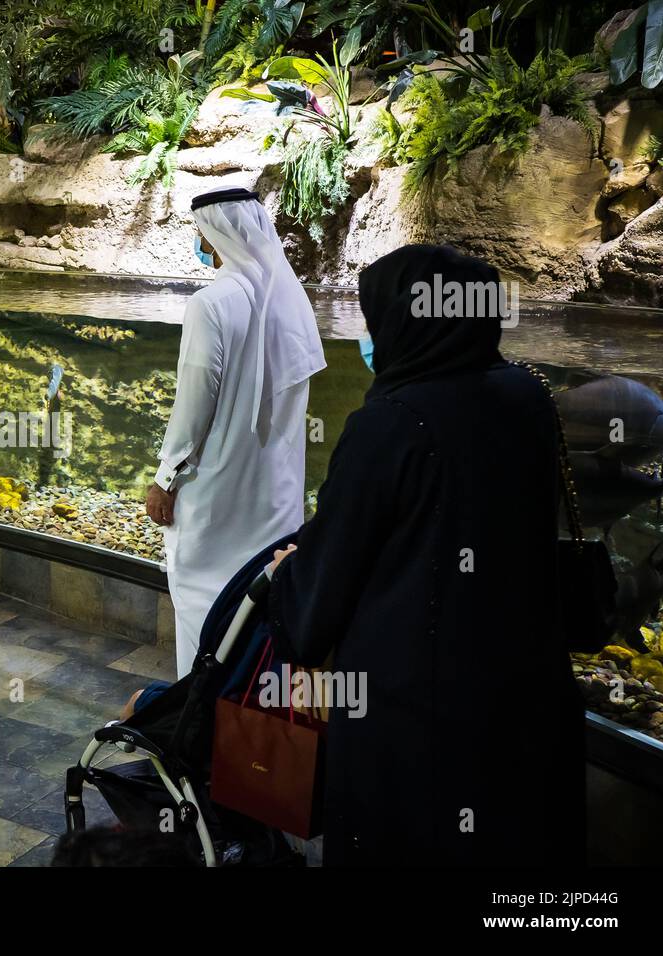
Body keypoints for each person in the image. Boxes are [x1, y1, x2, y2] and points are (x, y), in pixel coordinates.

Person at [264, 244, 585, 866]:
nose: (371, 334)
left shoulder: (391, 422)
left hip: (416, 710)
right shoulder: (528, 396)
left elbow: (329, 575)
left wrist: (288, 578)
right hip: (526, 690)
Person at [147, 187, 325, 676]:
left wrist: (166, 477)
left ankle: (198, 716)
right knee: (262, 606)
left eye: (199, 233)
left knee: (207, 603)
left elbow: (193, 404)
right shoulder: (293, 300)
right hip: (275, 496)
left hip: (218, 491)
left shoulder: (211, 303)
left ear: (215, 232)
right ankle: (251, 722)